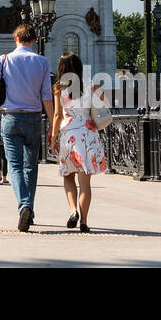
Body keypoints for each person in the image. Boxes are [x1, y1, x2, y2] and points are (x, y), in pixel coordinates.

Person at [0, 22, 54, 232]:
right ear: (32, 40)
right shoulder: (42, 61)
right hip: (33, 118)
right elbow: (47, 96)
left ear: (16, 38)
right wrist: (51, 125)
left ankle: (24, 205)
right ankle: (28, 208)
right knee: (31, 166)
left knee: (14, 166)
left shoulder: (3, 60)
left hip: (10, 118)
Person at [52, 53, 108, 232]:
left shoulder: (59, 88)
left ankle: (73, 210)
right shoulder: (90, 84)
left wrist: (53, 136)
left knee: (68, 176)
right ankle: (84, 222)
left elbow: (57, 115)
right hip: (89, 134)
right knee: (85, 183)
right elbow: (104, 100)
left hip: (69, 134)